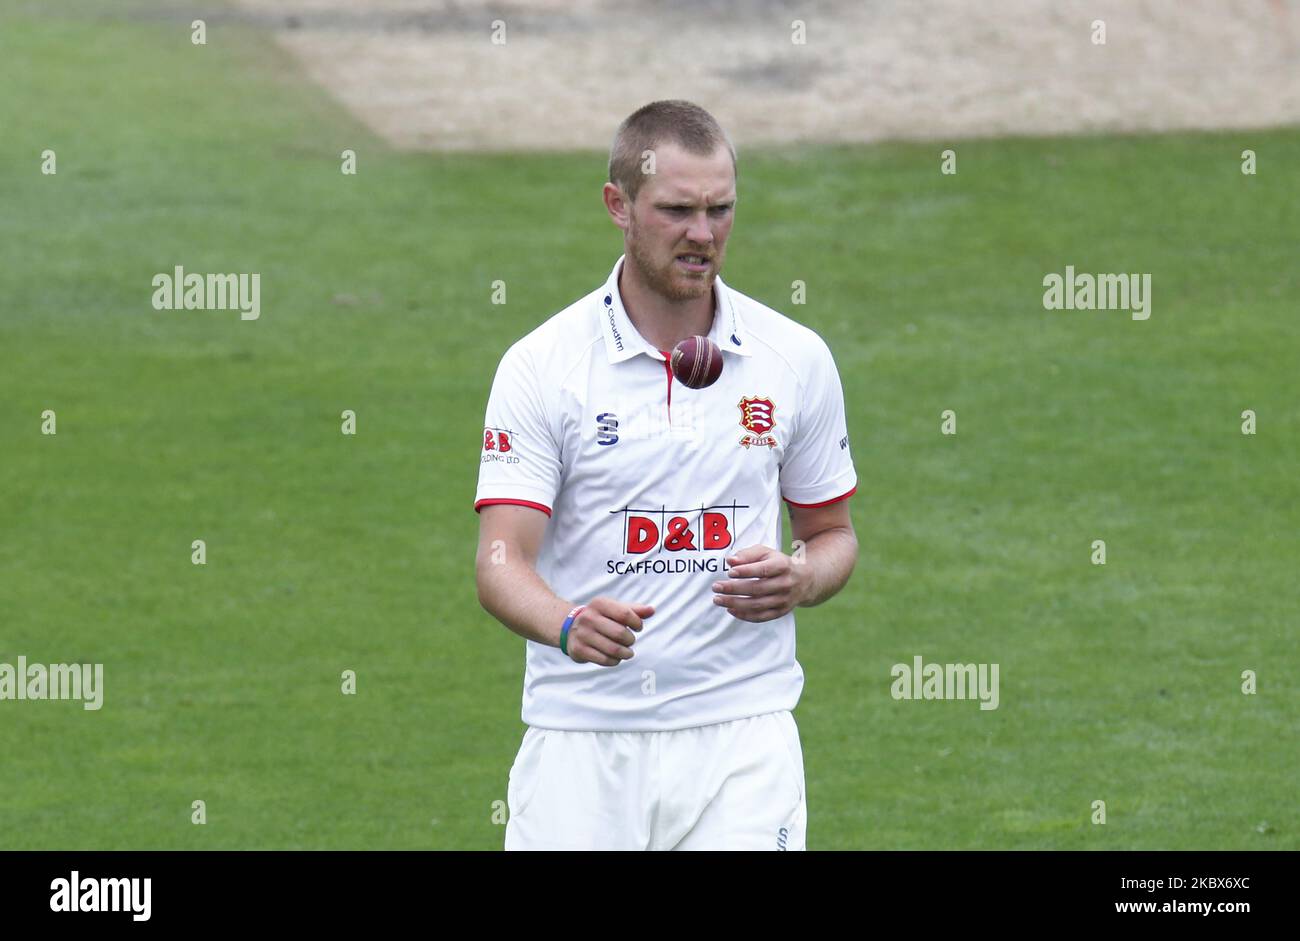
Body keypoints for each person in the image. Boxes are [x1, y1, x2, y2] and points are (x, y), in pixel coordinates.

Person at [474, 100, 858, 850]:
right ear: (618, 205)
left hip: (742, 737)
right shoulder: (543, 366)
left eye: (721, 210)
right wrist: (566, 622)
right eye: (677, 210)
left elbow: (833, 533)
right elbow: (499, 560)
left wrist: (802, 577)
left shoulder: (794, 359)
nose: (703, 234)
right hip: (583, 741)